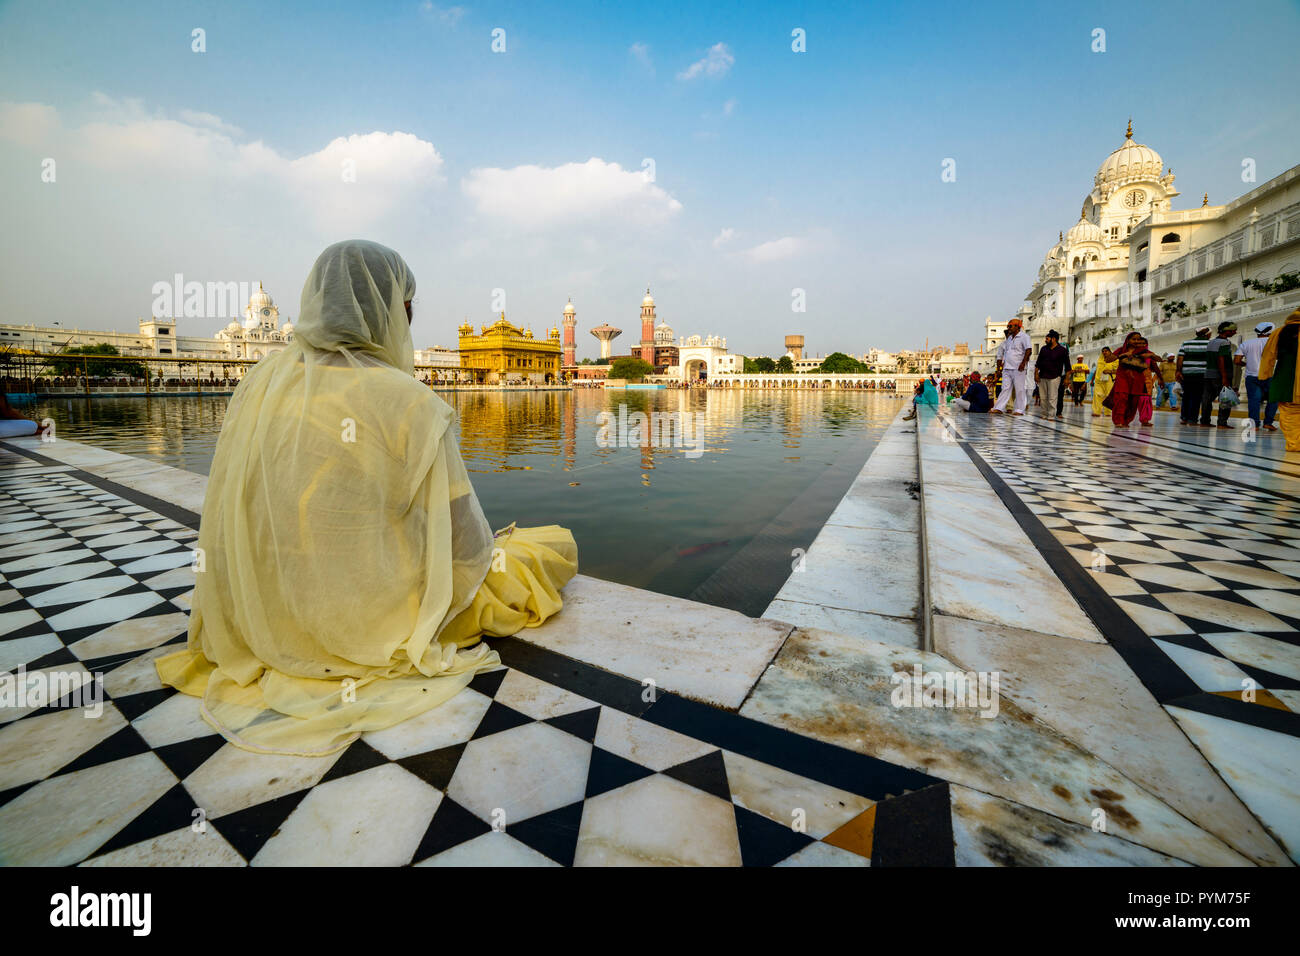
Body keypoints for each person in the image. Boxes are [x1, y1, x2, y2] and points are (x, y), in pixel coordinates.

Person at [155, 241, 579, 756]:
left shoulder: (259, 381)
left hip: (268, 605)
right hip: (375, 610)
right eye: (407, 309)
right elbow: (467, 549)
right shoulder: (407, 400)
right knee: (550, 547)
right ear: (392, 313)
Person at [1260, 309, 1300, 451]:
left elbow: (1268, 356)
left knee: (1289, 412)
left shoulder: (1279, 332)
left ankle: (1294, 443)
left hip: (1284, 379)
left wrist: (1264, 375)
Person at [1108, 332, 1161, 427]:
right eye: (1134, 339)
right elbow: (1108, 359)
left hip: (1137, 380)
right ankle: (1118, 420)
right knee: (1121, 398)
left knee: (1133, 401)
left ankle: (1126, 420)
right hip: (1122, 378)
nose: (1136, 341)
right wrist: (1123, 355)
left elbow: (1159, 359)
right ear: (1128, 340)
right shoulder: (1121, 350)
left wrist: (1151, 356)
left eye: (1138, 339)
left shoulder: (1143, 351)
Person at [1236, 321, 1279, 431]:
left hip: (1251, 376)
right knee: (1273, 399)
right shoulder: (1273, 343)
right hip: (1269, 375)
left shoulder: (1246, 343)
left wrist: (1246, 364)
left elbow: (1236, 360)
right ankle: (1268, 422)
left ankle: (1254, 425)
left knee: (1254, 400)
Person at [1200, 321, 1238, 429]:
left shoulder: (1211, 342)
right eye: (1233, 330)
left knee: (1207, 399)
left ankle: (1205, 421)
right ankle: (1222, 423)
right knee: (1225, 399)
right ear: (1227, 332)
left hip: (1208, 375)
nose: (1235, 332)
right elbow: (1221, 359)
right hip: (1220, 375)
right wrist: (1224, 377)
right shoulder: (1224, 343)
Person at [991, 318, 1032, 416]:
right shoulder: (1009, 339)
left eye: (1010, 326)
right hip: (1007, 368)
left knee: (1019, 389)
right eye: (1008, 326)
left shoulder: (1024, 337)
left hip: (1019, 368)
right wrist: (999, 370)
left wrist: (1023, 363)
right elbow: (1003, 355)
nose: (1008, 328)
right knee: (1005, 388)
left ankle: (1019, 409)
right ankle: (999, 408)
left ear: (1017, 327)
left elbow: (1028, 350)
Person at [1176, 326, 1211, 426]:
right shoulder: (1209, 344)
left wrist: (1178, 371)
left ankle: (1184, 418)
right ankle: (1192, 419)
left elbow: (1180, 358)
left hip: (1187, 373)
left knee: (1186, 395)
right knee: (1196, 397)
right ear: (1208, 334)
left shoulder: (1186, 343)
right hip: (1202, 374)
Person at [1033, 329, 1069, 420]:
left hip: (1055, 377)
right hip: (1043, 376)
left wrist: (1067, 378)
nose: (1045, 340)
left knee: (1052, 397)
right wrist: (1036, 374)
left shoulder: (1062, 350)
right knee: (1043, 397)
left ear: (1053, 339)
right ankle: (1044, 414)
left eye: (1047, 338)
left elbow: (1068, 365)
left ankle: (1051, 415)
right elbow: (1038, 362)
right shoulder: (1043, 349)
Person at [1090, 347, 1118, 418]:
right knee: (1097, 395)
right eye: (1103, 351)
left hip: (1109, 381)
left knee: (1108, 395)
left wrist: (1110, 371)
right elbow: (1097, 370)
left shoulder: (1115, 360)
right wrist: (1092, 380)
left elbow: (1119, 371)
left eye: (1106, 351)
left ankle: (1108, 412)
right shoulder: (1100, 360)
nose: (1104, 352)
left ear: (1110, 352)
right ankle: (1096, 412)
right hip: (1099, 381)